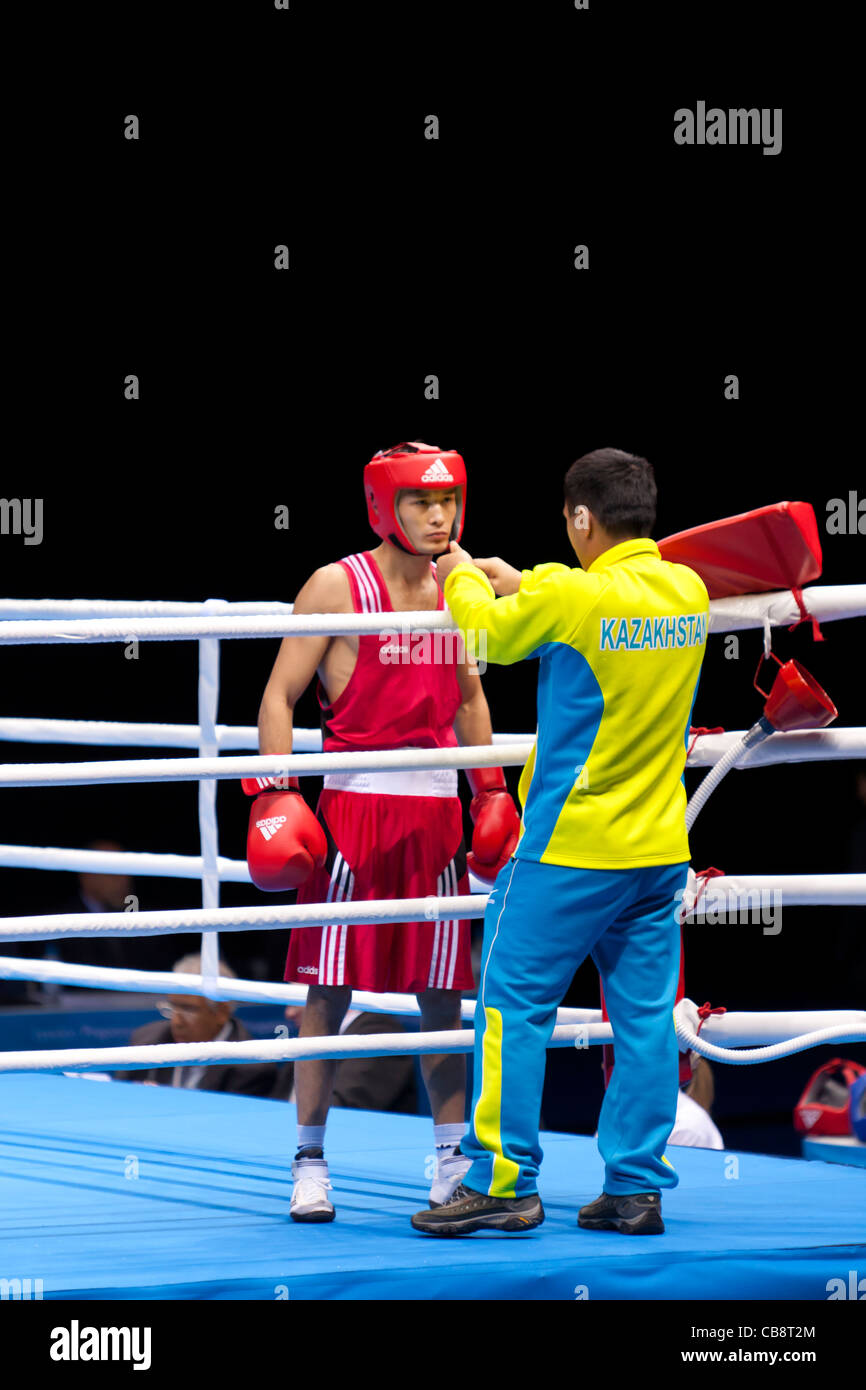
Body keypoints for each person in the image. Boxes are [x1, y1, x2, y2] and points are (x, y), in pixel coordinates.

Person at [411, 446, 709, 1237]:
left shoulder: (578, 600)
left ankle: (505, 1180)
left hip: (571, 850)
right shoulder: (688, 591)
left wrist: (467, 574)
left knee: (512, 1006)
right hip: (656, 854)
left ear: (582, 517)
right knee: (643, 1020)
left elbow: (484, 635)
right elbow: (582, 597)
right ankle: (636, 1187)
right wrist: (533, 577)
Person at [245, 442, 520, 1221]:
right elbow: (278, 697)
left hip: (435, 813)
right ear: (382, 507)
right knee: (326, 991)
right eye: (420, 504)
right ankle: (308, 1161)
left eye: (448, 503)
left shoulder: (459, 584)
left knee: (442, 996)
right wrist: (275, 794)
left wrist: (490, 788)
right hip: (353, 812)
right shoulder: (339, 585)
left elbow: (469, 693)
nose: (439, 518)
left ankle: (448, 1158)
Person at [114, 954, 277, 1097]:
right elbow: (120, 1100)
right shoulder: (146, 1040)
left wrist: (163, 1103)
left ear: (222, 1012)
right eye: (172, 1007)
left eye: (188, 1009)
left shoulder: (251, 1067)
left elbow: (231, 1125)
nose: (176, 1022)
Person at [270, 1004, 417, 1113]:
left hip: (349, 1144)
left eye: (295, 999)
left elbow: (346, 1107)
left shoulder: (378, 1031)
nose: (289, 1013)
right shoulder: (313, 1034)